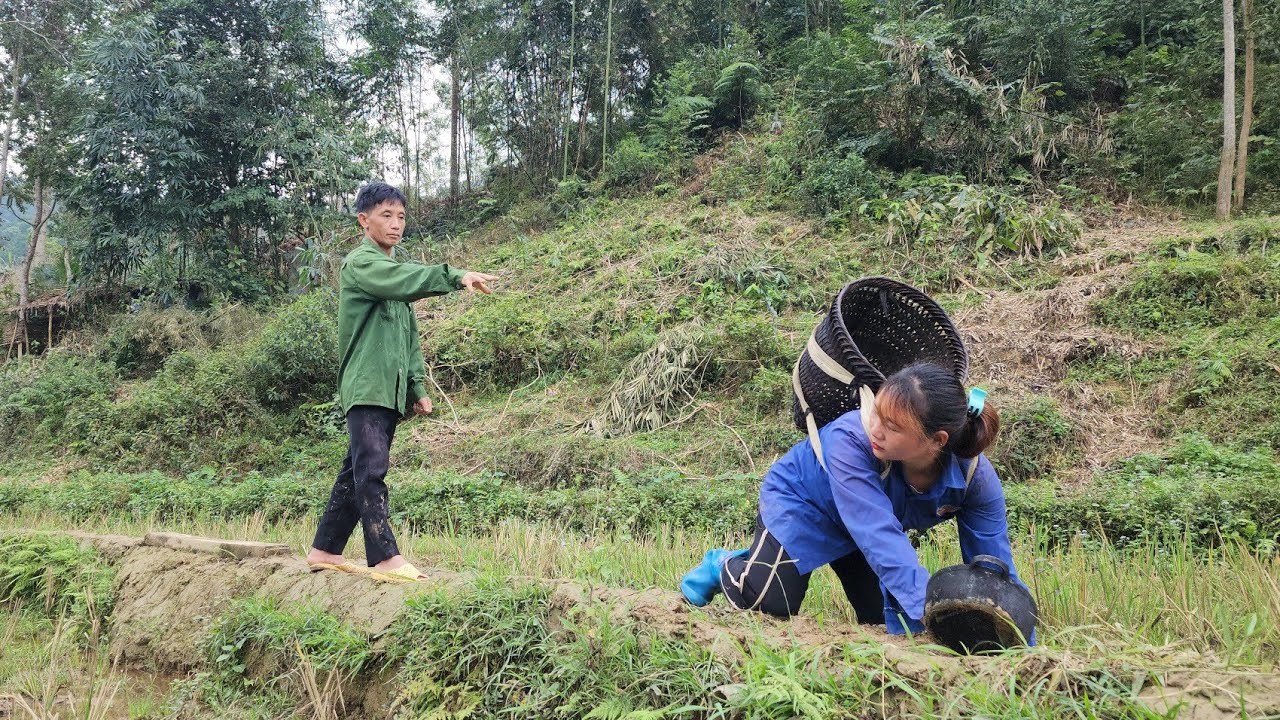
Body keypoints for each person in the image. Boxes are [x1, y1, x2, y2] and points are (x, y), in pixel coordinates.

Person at [679, 362, 1030, 637]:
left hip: (863, 530)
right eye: (877, 412)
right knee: (767, 603)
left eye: (892, 427)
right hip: (805, 504)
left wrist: (1014, 632)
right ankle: (724, 565)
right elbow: (878, 535)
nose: (875, 428)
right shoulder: (852, 439)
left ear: (937, 440)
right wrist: (927, 613)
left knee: (884, 622)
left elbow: (993, 564)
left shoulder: (974, 479)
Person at [305, 181, 497, 582]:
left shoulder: (393, 275)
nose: (396, 225)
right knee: (371, 471)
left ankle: (325, 549)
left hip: (388, 388)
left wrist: (417, 387)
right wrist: (454, 275)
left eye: (401, 216)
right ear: (364, 220)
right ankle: (385, 558)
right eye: (386, 216)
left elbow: (409, 339)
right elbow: (407, 280)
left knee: (355, 471)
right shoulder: (363, 265)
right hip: (366, 385)